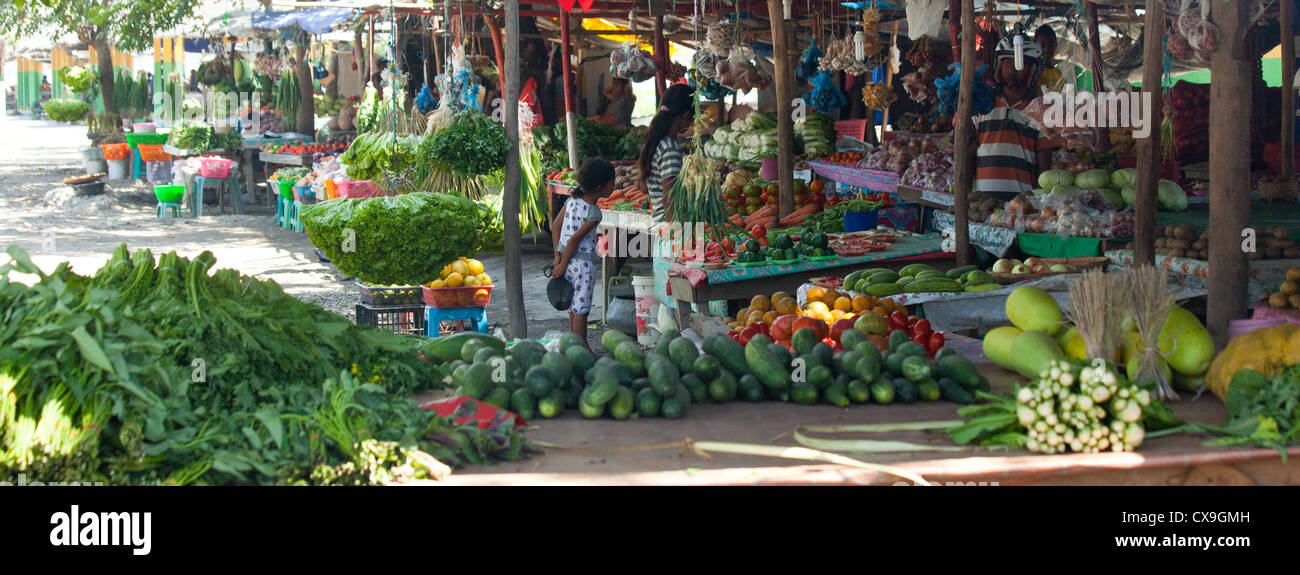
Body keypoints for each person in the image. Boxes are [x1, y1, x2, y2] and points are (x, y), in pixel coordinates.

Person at [969, 36, 1058, 199]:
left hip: (1022, 203)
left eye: (1019, 63)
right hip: (982, 200)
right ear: (1000, 66)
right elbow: (969, 152)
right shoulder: (982, 102)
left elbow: (1044, 163)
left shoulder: (1041, 108)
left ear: (1031, 70)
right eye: (1007, 62)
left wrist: (1038, 201)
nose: (1011, 69)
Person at [551, 157, 617, 348]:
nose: (613, 187)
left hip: (566, 259)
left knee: (574, 306)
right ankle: (582, 349)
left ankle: (574, 347)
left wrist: (558, 258)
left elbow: (555, 227)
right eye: (611, 184)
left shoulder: (572, 200)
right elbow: (574, 240)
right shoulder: (594, 212)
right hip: (582, 266)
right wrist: (561, 266)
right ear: (599, 188)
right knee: (582, 309)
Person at [637, 83, 695, 220]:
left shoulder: (656, 142)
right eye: (692, 119)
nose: (692, 124)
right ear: (686, 115)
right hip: (671, 227)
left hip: (662, 224)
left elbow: (644, 188)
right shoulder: (670, 148)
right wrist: (678, 234)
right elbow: (670, 200)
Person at [1034, 25, 1063, 95]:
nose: (1046, 49)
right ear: (1035, 46)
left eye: (1050, 45)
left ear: (1055, 45)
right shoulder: (1032, 71)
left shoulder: (1059, 75)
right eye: (1042, 45)